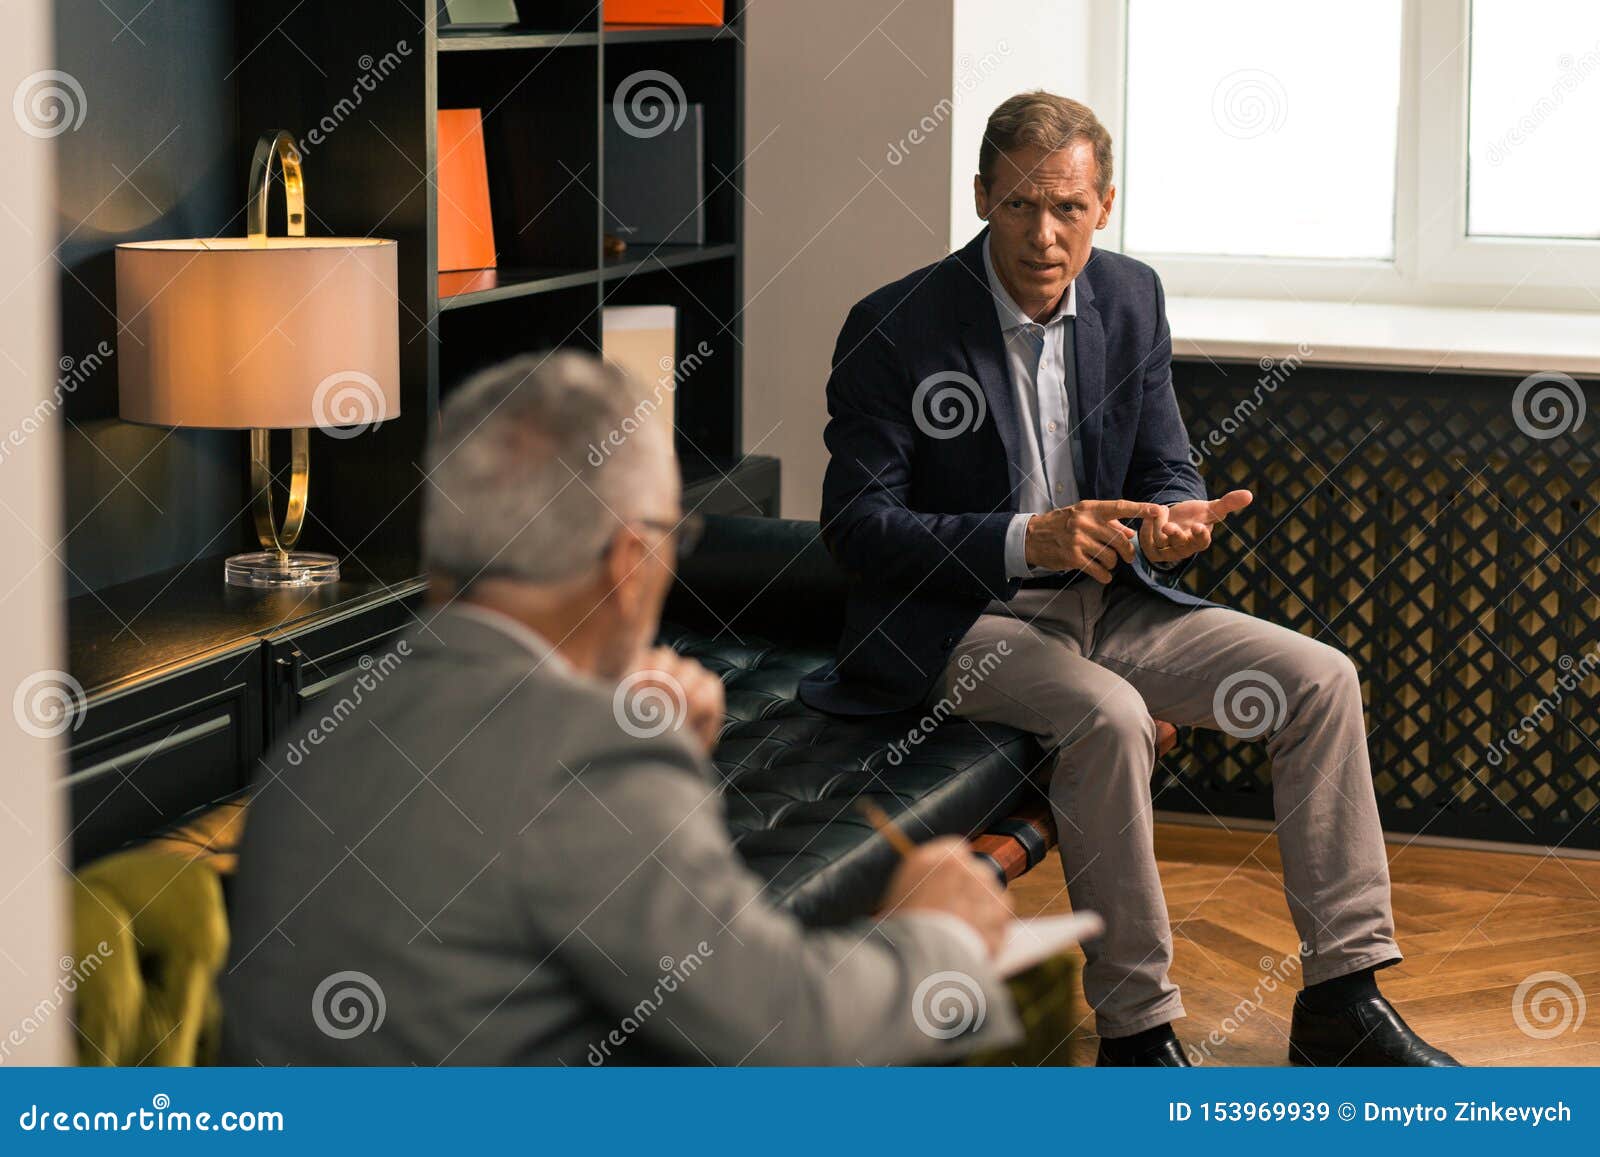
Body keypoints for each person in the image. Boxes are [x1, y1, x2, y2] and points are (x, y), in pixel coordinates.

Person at [799, 91, 1458, 1067]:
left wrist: (1176, 518)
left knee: (1320, 678)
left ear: (1103, 206)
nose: (1043, 233)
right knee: (1107, 714)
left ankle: (1341, 996)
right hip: (964, 620)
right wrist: (1032, 536)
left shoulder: (1130, 296)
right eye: (1019, 205)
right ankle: (1136, 1026)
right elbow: (860, 528)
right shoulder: (895, 325)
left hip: (1114, 597)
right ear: (980, 196)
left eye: (1067, 207)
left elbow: (1165, 465)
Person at [222, 351, 1020, 1065]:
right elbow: (790, 1028)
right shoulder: (591, 757)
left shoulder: (315, 743)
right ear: (631, 560)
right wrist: (936, 931)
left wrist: (668, 767)